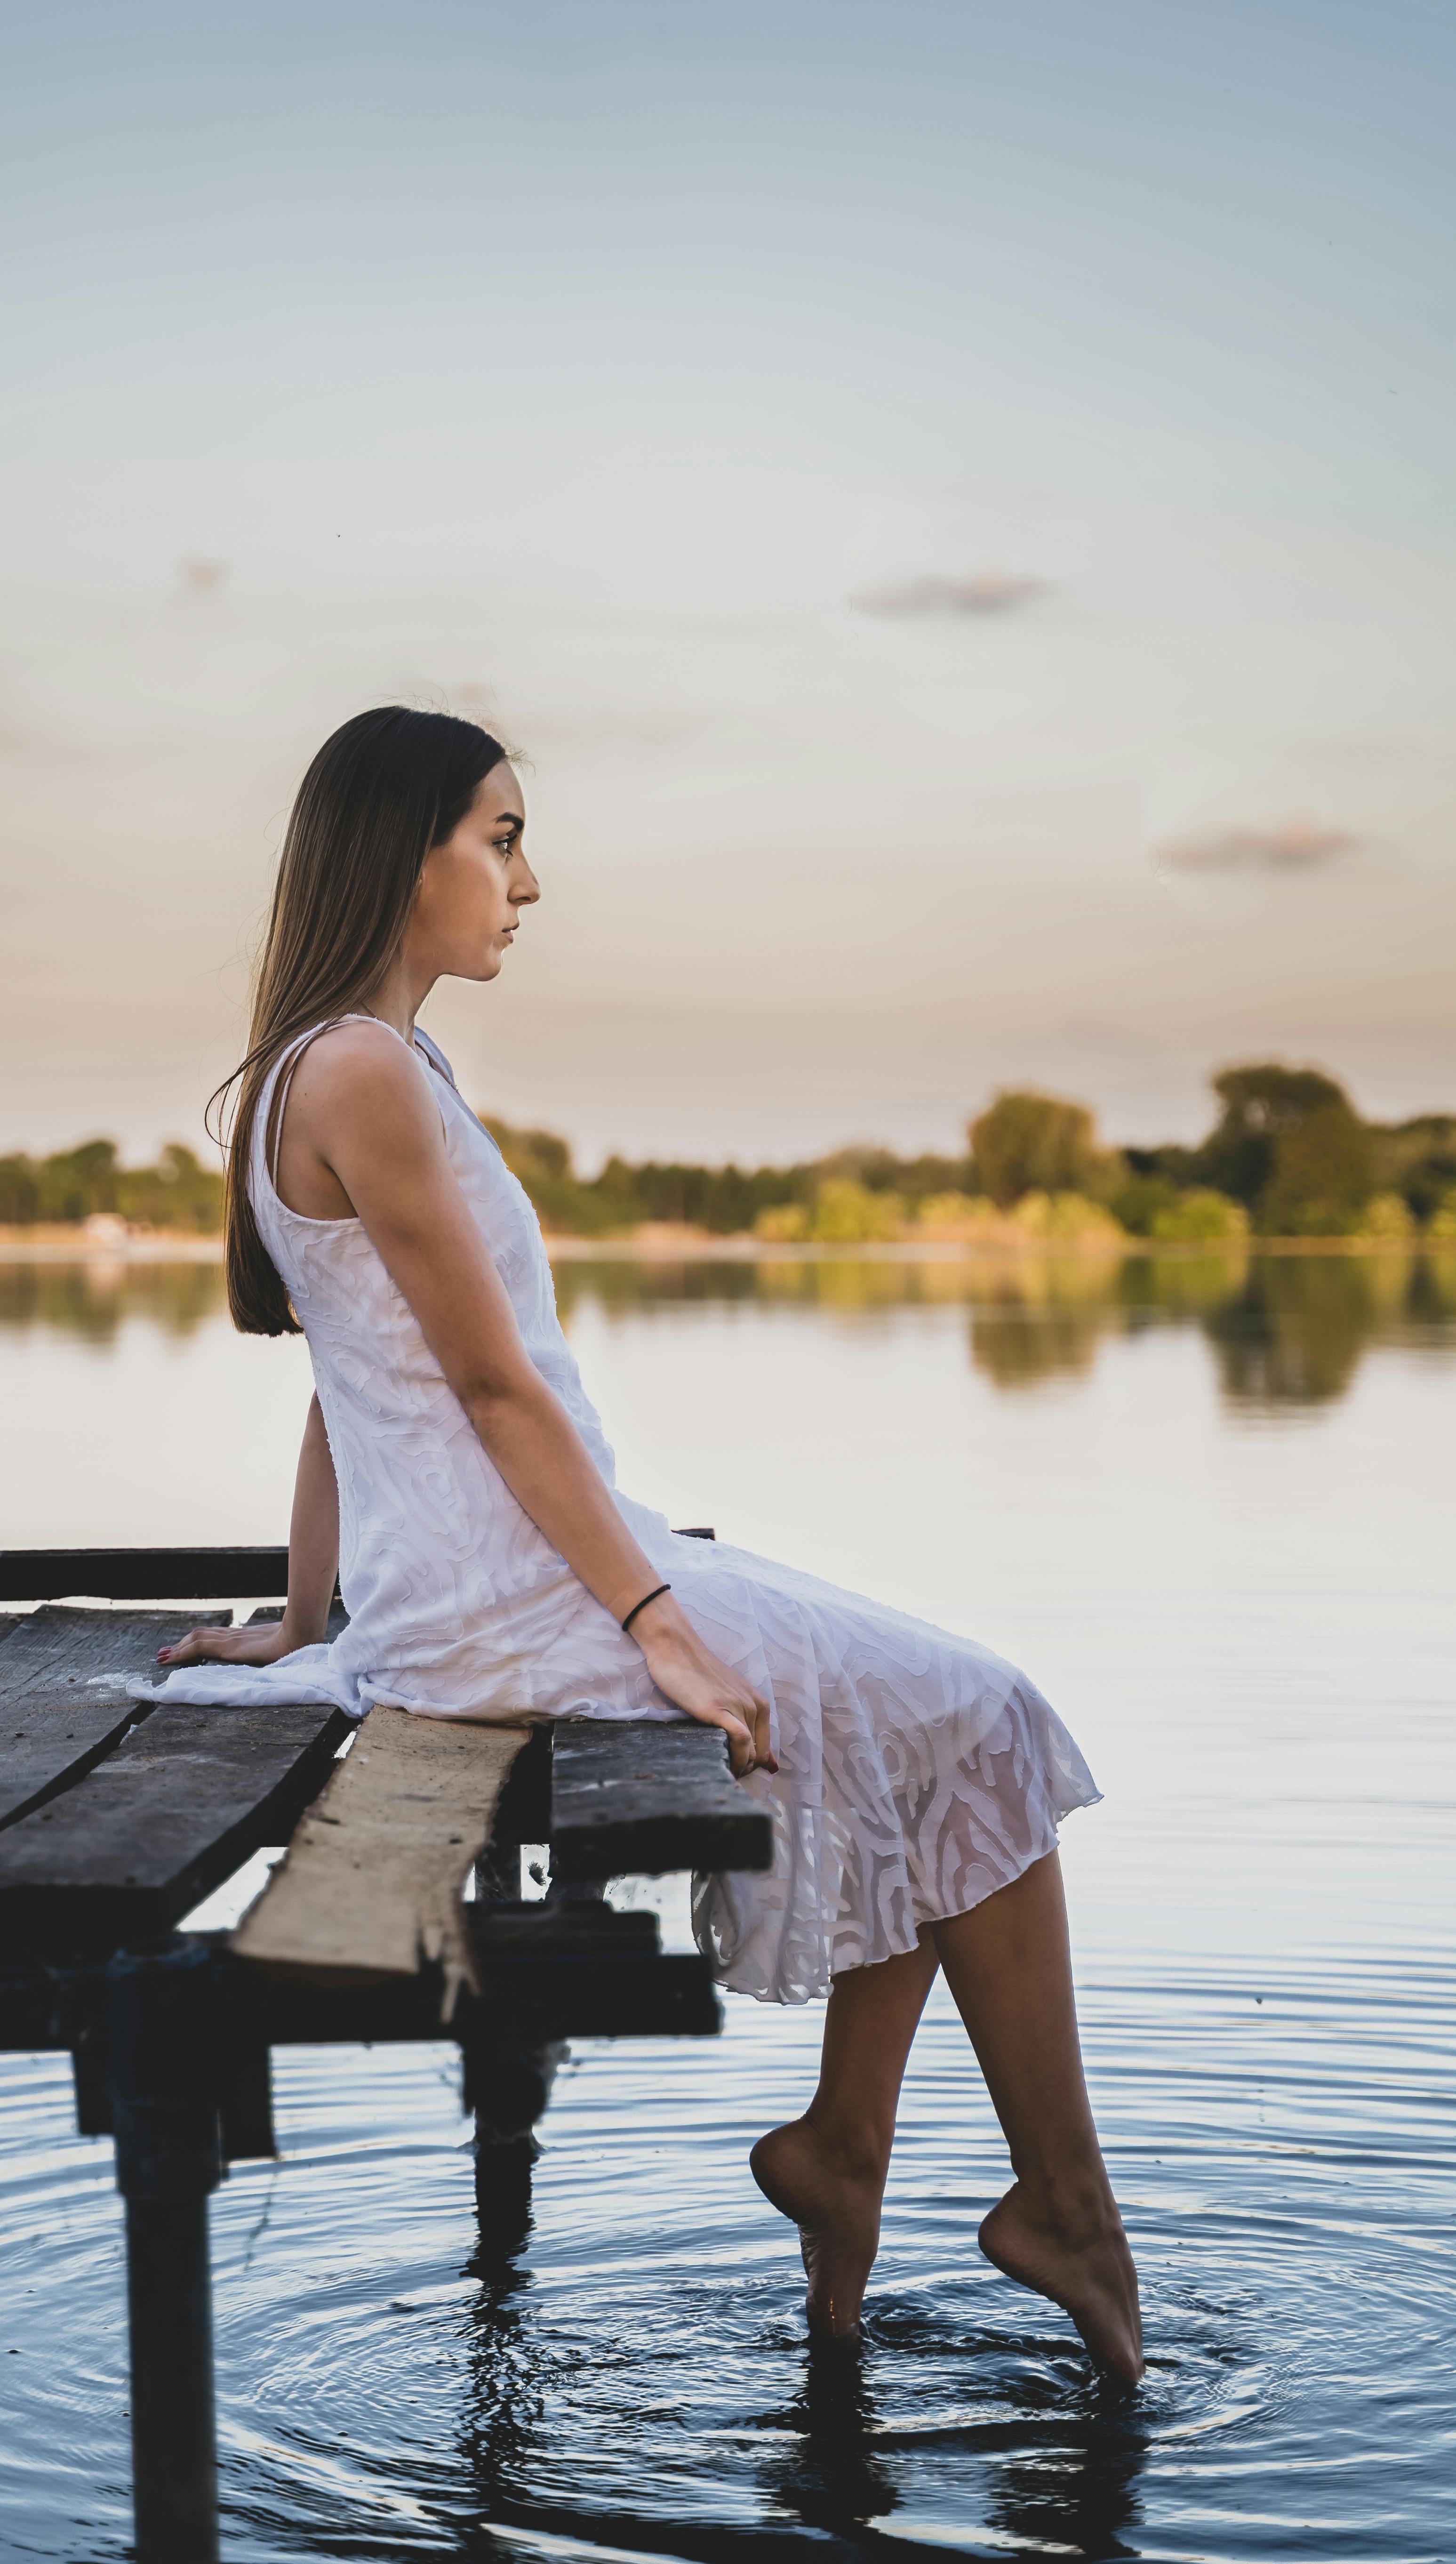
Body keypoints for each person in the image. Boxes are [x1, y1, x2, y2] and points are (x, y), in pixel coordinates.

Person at [152, 706, 1141, 2380]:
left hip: (480, 1582)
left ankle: (855, 2162)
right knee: (989, 1714)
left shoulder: (335, 1066)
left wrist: (305, 1616)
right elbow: (484, 1382)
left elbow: (345, 1386)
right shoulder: (364, 1070)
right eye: (501, 836)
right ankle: (1055, 2202)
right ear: (407, 854)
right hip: (515, 1597)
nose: (528, 882)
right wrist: (657, 1618)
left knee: (929, 1721)